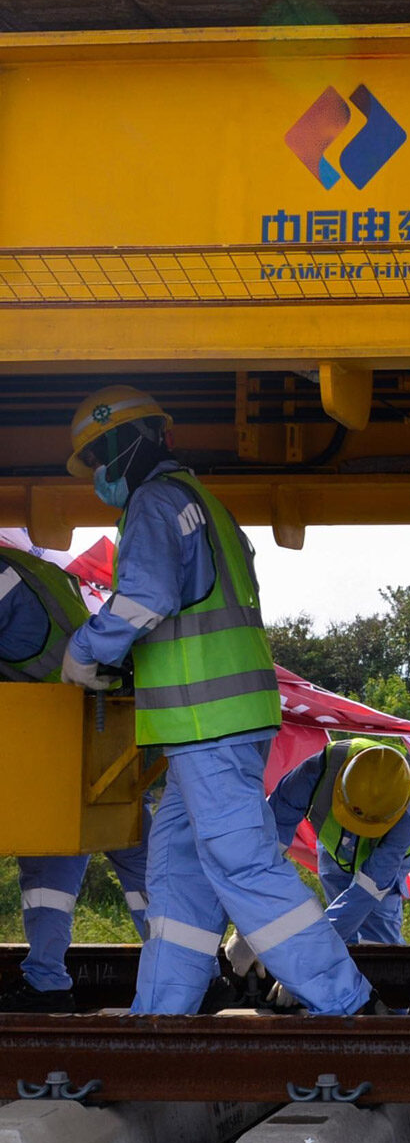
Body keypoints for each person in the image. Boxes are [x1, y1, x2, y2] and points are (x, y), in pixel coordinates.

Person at [59, 385, 382, 1016]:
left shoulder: (154, 503)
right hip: (214, 724)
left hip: (208, 725)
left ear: (125, 446)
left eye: (98, 459)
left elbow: (144, 600)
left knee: (244, 866)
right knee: (177, 875)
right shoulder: (205, 505)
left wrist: (85, 651)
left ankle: (348, 1006)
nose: (97, 475)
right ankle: (161, 1015)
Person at [0, 543, 150, 1013]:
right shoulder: (27, 569)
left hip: (53, 739)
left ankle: (47, 983)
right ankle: (195, 973)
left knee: (51, 865)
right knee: (130, 856)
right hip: (101, 730)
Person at [269, 735, 410, 945]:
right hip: (336, 843)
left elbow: (369, 889)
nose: (360, 830)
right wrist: (255, 927)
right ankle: (339, 962)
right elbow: (266, 840)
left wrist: (313, 948)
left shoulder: (408, 817)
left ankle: (375, 970)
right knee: (337, 885)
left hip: (395, 847)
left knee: (377, 913)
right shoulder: (314, 772)